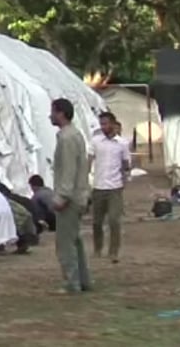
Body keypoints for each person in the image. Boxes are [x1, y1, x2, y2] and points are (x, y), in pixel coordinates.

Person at [50, 98, 91, 294]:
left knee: (66, 242)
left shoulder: (66, 138)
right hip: (79, 194)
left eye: (53, 112)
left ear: (60, 113)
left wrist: (62, 196)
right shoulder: (76, 134)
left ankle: (71, 282)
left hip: (70, 197)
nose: (50, 116)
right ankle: (83, 280)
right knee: (75, 240)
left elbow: (68, 170)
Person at [91, 111, 131, 263]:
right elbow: (90, 158)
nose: (104, 127)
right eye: (102, 124)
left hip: (115, 187)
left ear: (113, 124)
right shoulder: (96, 141)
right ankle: (97, 248)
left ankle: (113, 251)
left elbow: (125, 163)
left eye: (106, 123)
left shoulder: (122, 143)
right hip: (99, 185)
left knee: (114, 220)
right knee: (97, 222)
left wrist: (124, 180)